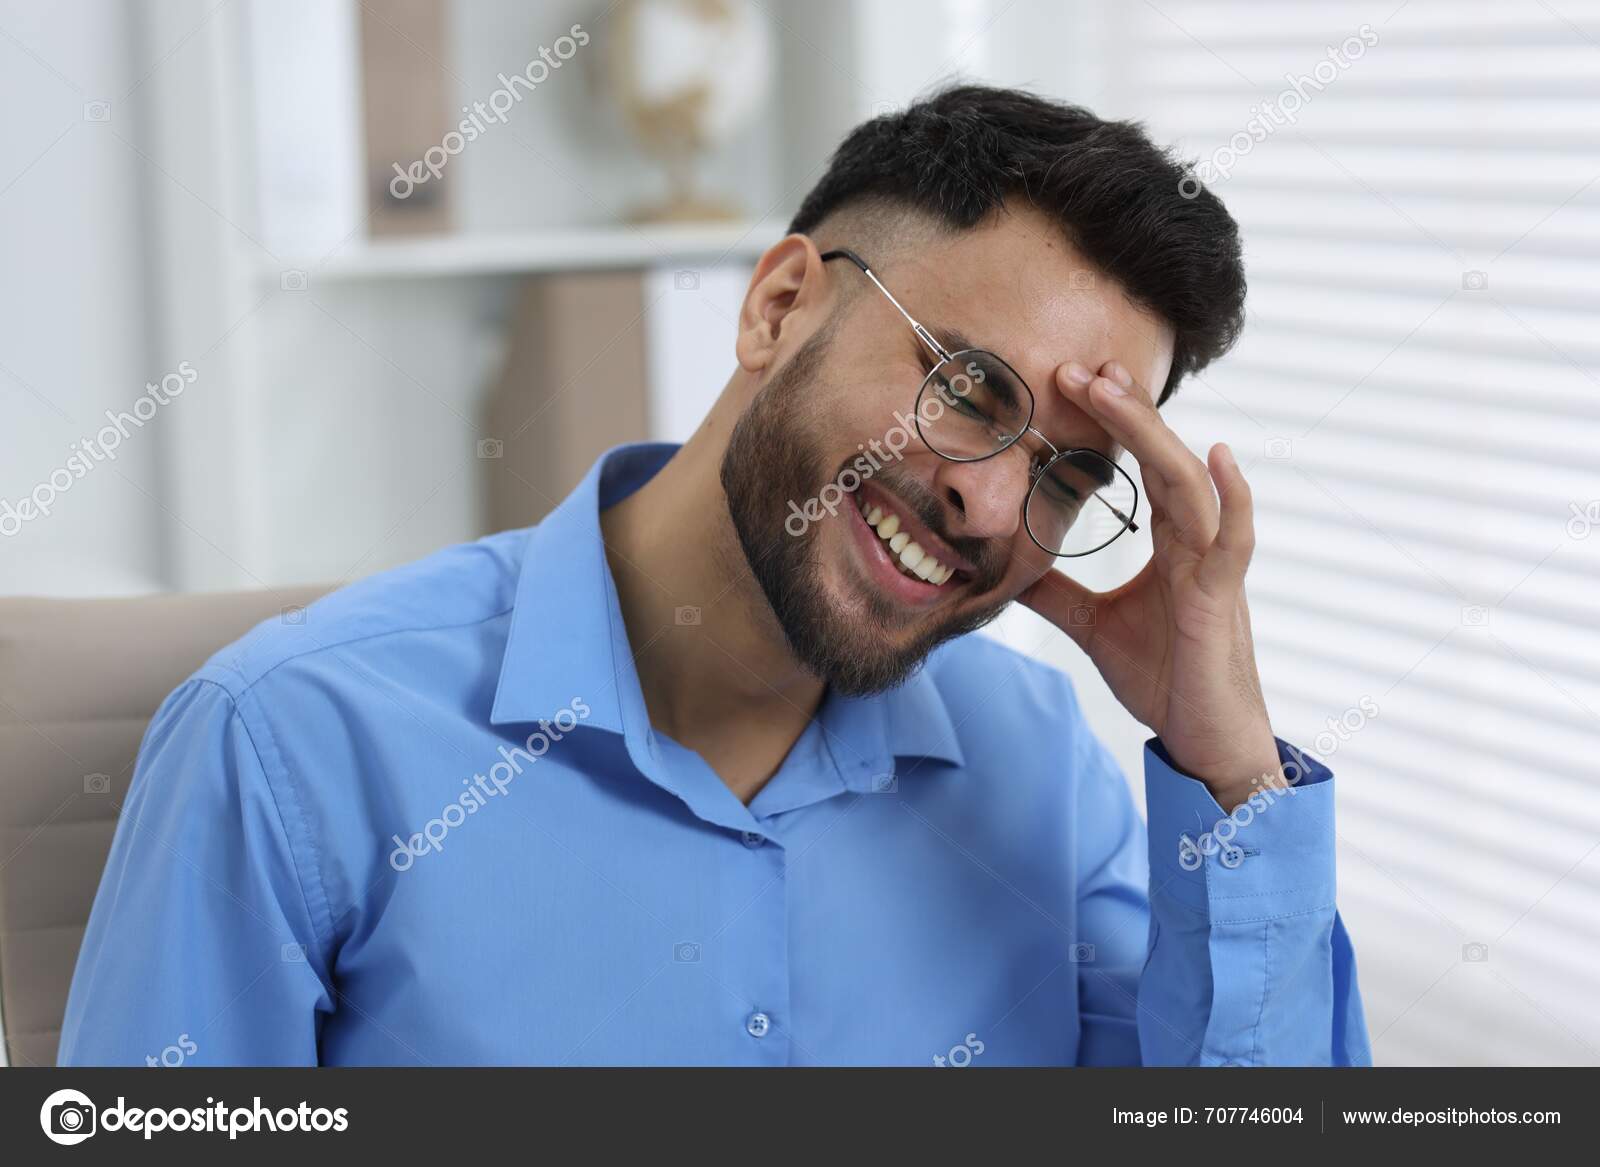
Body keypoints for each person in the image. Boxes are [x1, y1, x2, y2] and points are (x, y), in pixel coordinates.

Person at [60, 86, 1368, 1066]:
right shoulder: (292, 745)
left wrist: (1232, 773)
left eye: (1070, 476)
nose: (987, 499)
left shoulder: (1037, 773)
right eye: (969, 388)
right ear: (782, 305)